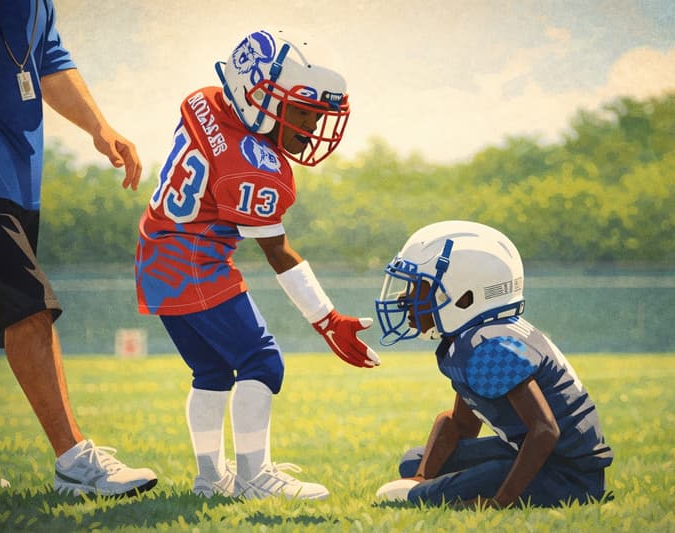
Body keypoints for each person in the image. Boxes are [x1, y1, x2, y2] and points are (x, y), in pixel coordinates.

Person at [135, 29, 380, 500]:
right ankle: (254, 477)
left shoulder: (205, 101)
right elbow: (277, 252)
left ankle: (211, 479)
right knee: (262, 362)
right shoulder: (256, 168)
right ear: (256, 94)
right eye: (302, 112)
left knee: (210, 371)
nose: (310, 127)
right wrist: (327, 320)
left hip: (154, 255)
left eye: (316, 115)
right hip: (194, 263)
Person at [0, 1, 157, 496]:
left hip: (18, 180)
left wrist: (99, 128)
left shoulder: (37, 5)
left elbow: (50, 64)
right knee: (29, 306)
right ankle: (73, 462)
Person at [373, 220, 613, 508]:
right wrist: (422, 476)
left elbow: (545, 430)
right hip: (530, 449)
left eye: (419, 288)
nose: (405, 299)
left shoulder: (489, 347)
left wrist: (500, 501)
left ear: (465, 296)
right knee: (412, 463)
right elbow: (460, 423)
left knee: (418, 496)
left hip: (566, 473)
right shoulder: (472, 338)